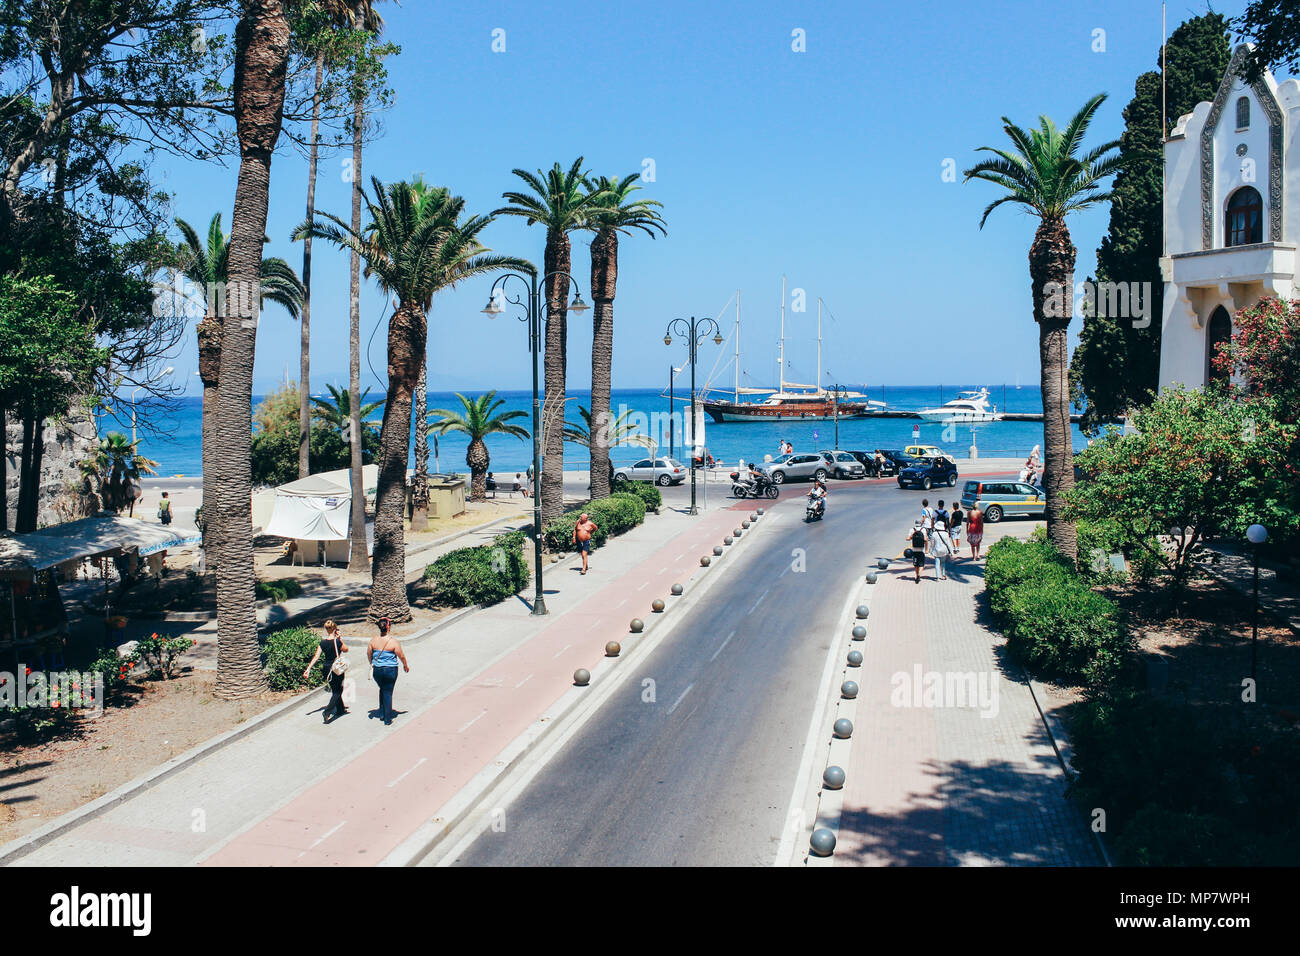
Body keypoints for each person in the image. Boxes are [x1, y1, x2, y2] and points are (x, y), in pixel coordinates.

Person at [303, 619, 349, 724]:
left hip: (326, 668)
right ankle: (327, 712)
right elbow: (346, 649)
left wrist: (308, 669)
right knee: (338, 691)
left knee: (335, 689)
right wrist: (340, 639)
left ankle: (340, 709)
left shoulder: (322, 642)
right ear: (335, 629)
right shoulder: (337, 642)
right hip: (336, 668)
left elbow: (316, 656)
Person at [367, 618, 408, 726]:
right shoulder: (393, 642)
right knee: (388, 692)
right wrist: (405, 665)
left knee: (382, 689)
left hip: (377, 671)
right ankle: (387, 718)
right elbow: (401, 656)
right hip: (390, 670)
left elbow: (369, 653)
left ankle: (381, 713)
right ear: (388, 627)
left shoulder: (373, 640)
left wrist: (372, 663)